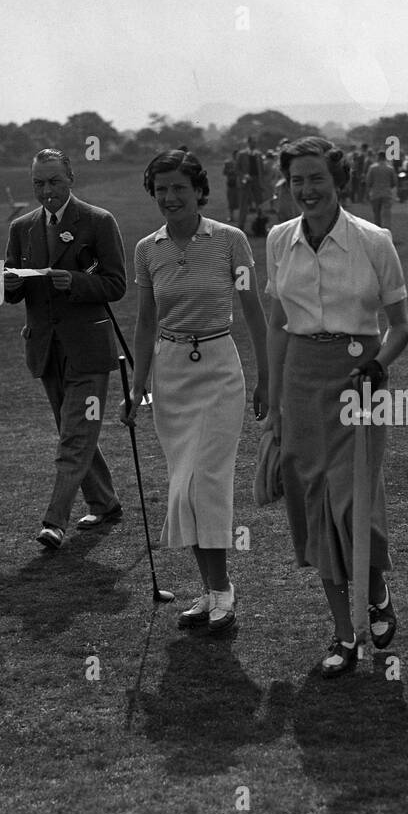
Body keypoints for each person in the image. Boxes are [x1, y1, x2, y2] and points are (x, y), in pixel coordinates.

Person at [262, 135, 408, 676]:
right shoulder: (278, 240)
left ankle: (374, 588)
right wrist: (274, 400)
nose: (306, 189)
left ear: (338, 181)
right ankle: (343, 634)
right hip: (302, 381)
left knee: (354, 504)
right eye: (296, 180)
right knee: (313, 506)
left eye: (316, 178)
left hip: (359, 379)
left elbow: (401, 327)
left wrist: (380, 363)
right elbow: (278, 325)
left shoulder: (374, 241)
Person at [120, 150, 269, 633]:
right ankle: (210, 592)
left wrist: (267, 375)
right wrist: (138, 382)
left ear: (199, 191)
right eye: (161, 189)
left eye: (179, 188)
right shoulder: (147, 249)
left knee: (204, 480)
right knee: (183, 487)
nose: (170, 197)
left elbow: (253, 312)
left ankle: (223, 590)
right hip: (171, 376)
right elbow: (145, 321)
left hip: (220, 371)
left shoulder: (231, 241)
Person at [2, 149, 126, 550]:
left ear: (71, 178)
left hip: (89, 350)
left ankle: (55, 520)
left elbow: (116, 285)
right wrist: (8, 285)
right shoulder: (22, 227)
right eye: (39, 183)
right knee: (72, 431)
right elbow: (12, 288)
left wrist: (73, 281)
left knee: (73, 437)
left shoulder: (98, 222)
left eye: (54, 181)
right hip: (45, 350)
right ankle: (105, 502)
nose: (47, 190)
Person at [235, 136, 263, 232]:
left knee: (260, 203)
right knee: (244, 204)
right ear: (249, 143)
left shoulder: (258, 154)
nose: (254, 144)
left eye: (255, 142)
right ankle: (241, 226)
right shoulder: (241, 154)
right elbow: (237, 169)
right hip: (246, 181)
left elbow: (261, 169)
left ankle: (260, 224)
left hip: (256, 181)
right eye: (252, 142)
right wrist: (244, 176)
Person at [365, 151, 396, 229]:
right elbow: (394, 182)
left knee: (376, 214)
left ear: (378, 157)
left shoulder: (372, 168)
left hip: (375, 193)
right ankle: (387, 229)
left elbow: (368, 181)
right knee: (386, 213)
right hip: (387, 193)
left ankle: (377, 229)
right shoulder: (390, 168)